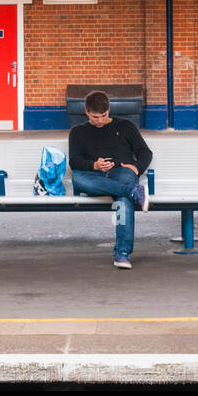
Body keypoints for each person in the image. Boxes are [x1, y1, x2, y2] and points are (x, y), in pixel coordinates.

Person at [68, 90, 152, 269]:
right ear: (86, 111)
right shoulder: (77, 132)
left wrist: (137, 168)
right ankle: (133, 191)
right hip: (94, 176)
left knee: (123, 200)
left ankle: (122, 253)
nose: (100, 121)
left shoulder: (126, 126)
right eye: (95, 117)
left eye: (104, 116)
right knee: (78, 179)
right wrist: (95, 165)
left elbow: (145, 152)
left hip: (121, 171)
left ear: (109, 110)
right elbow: (75, 161)